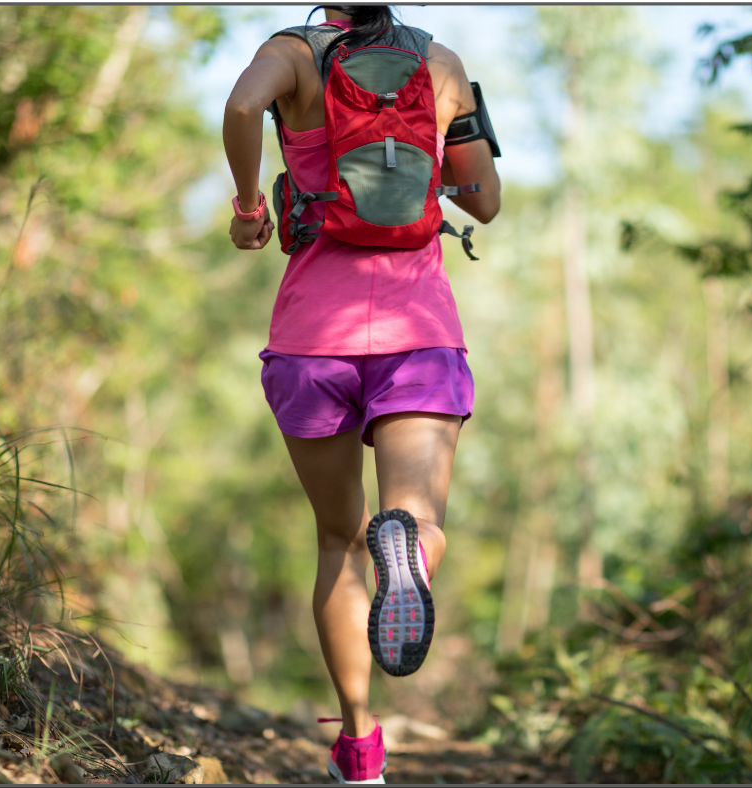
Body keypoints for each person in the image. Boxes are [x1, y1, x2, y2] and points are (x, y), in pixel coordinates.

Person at [222, 4, 500, 784]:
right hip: (419, 328)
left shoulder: (293, 52)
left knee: (336, 541)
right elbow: (482, 198)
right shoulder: (440, 62)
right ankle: (407, 548)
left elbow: (243, 106)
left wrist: (249, 208)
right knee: (418, 518)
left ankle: (360, 750)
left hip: (314, 337)